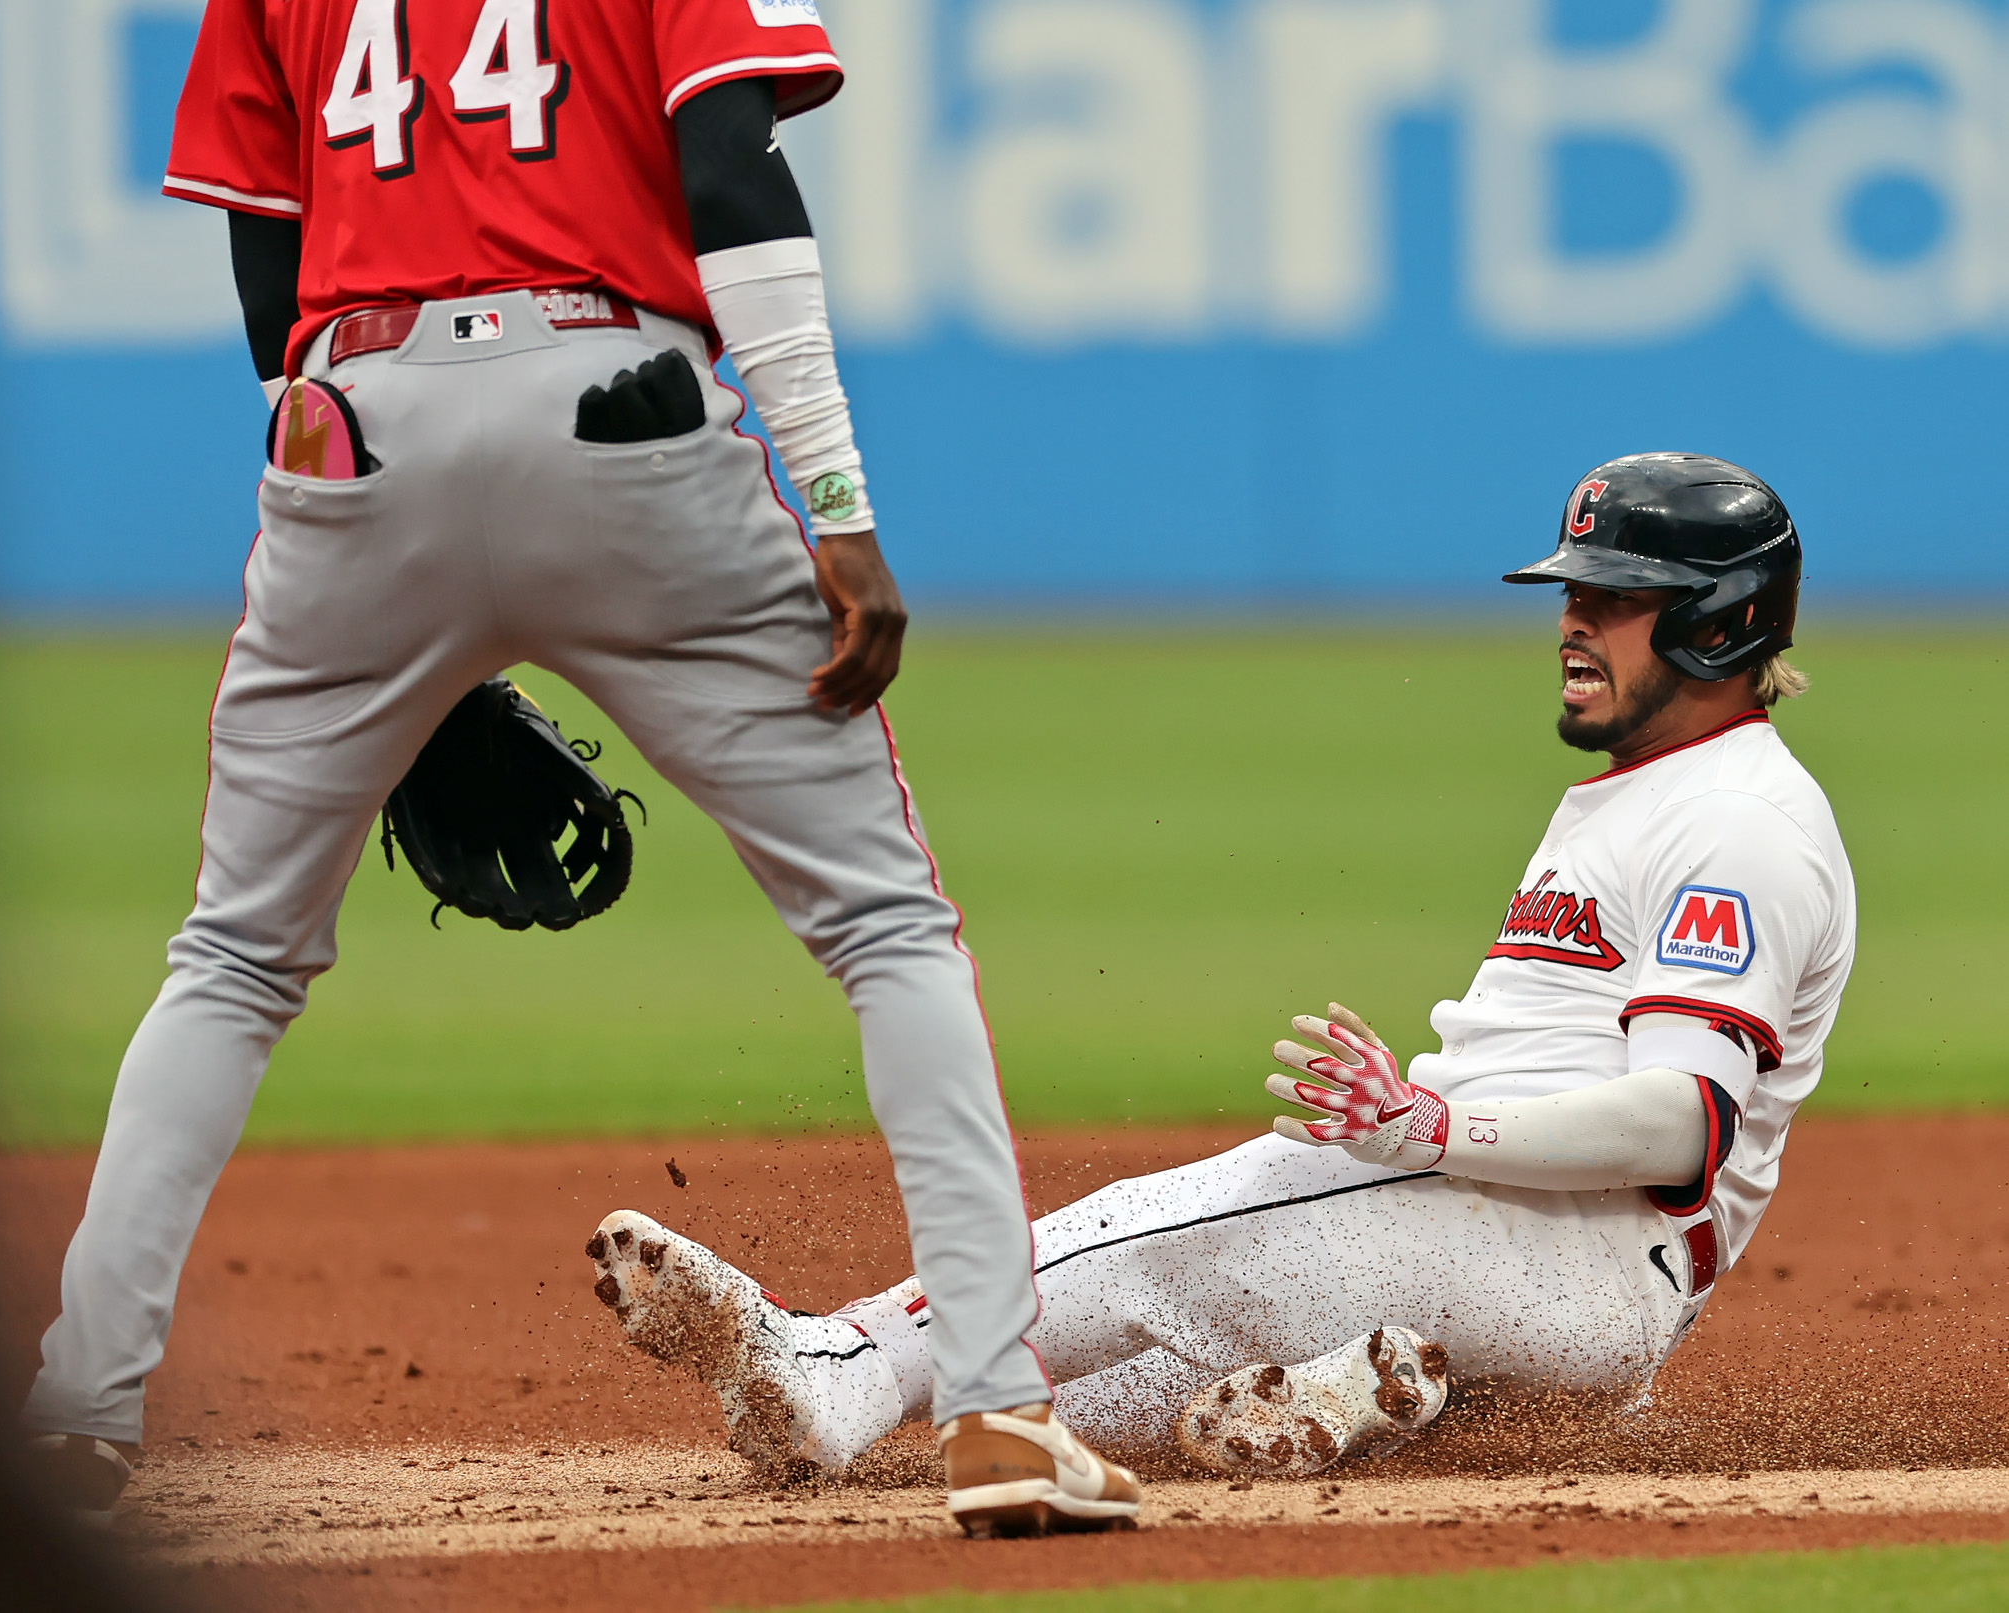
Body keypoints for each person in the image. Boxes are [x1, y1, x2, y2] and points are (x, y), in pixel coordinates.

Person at [21, 0, 1137, 1538]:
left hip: (353, 420)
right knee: (886, 929)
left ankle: (76, 1415)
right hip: (623, 419)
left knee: (230, 956)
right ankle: (1001, 1410)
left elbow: (270, 258)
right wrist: (839, 507)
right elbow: (734, 181)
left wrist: (390, 560)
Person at [589, 452, 1856, 1480]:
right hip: (1527, 1262)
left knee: (1170, 1225)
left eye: (1615, 597)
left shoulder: (1739, 819)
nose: (1573, 619)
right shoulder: (1658, 793)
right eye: (1570, 591)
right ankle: (1373, 1387)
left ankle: (841, 1359)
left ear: (1717, 621)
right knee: (1108, 1397)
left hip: (1559, 1248)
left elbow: (1685, 1123)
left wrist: (1428, 1122)